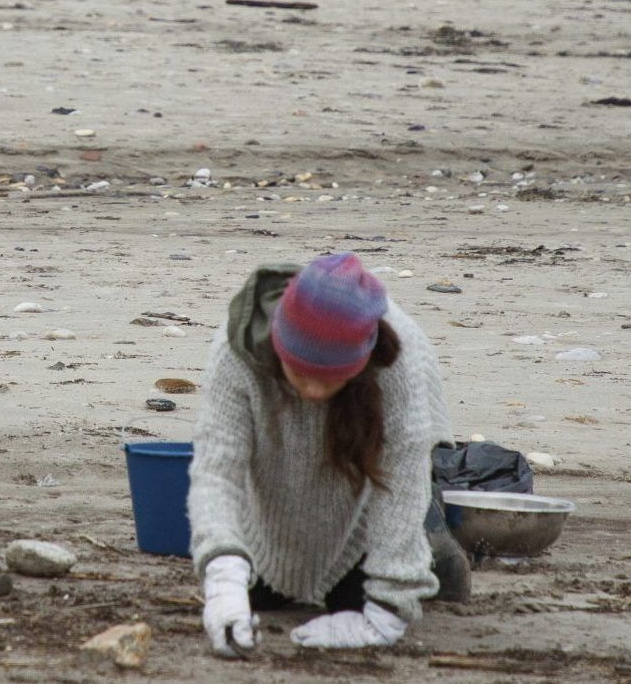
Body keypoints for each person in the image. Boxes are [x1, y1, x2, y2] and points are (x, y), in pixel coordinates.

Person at [190, 253, 471, 658]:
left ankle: (433, 543)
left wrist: (387, 610)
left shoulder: (399, 358)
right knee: (262, 596)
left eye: (332, 378)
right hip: (273, 499)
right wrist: (223, 578)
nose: (315, 392)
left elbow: (401, 474)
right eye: (303, 374)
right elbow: (218, 468)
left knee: (367, 593)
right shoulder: (237, 352)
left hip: (363, 490)